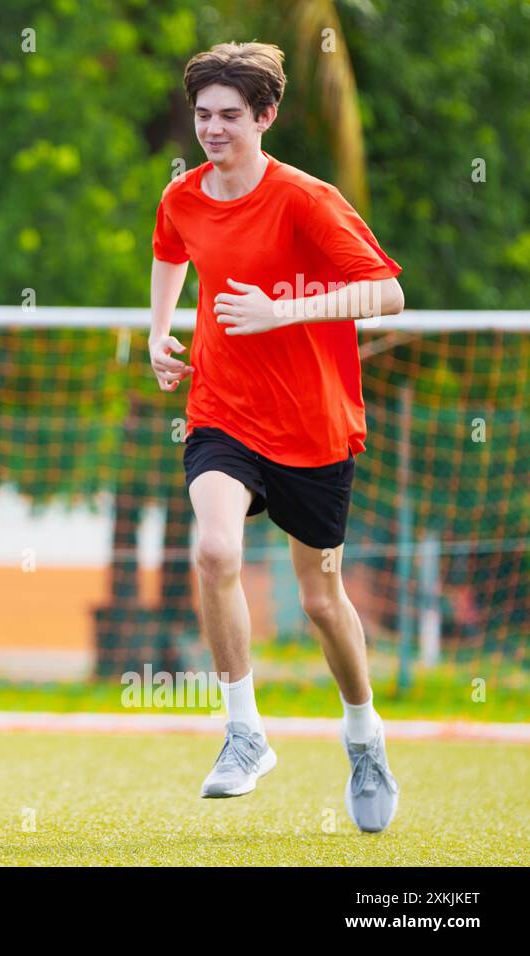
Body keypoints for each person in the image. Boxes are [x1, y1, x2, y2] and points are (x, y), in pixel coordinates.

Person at [149, 43, 405, 832]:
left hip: (314, 425)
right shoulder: (183, 195)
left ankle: (363, 736)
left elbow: (388, 292)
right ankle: (243, 731)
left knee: (322, 599)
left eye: (230, 114)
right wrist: (158, 333)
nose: (213, 128)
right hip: (222, 410)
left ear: (265, 116)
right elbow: (169, 253)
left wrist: (281, 311)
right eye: (203, 115)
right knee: (216, 552)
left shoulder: (307, 198)